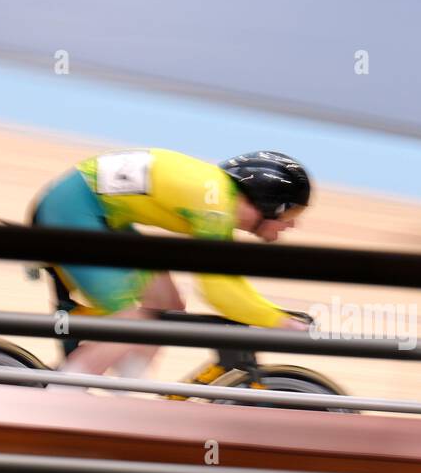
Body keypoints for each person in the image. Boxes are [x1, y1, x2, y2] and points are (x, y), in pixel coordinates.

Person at [29, 149, 312, 377]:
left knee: (166, 305)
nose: (293, 224)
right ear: (268, 204)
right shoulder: (214, 206)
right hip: (71, 214)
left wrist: (274, 315)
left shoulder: (218, 197)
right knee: (130, 320)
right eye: (291, 213)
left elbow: (226, 278)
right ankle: (65, 391)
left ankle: (125, 392)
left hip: (96, 215)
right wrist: (279, 321)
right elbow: (218, 290)